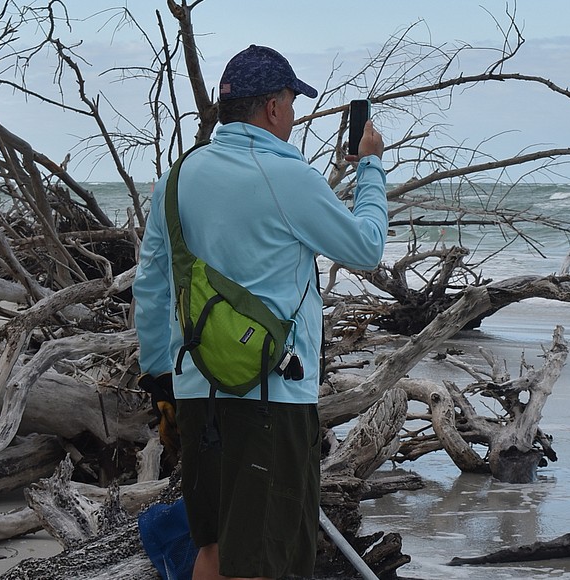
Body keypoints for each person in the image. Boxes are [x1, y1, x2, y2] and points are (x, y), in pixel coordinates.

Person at [133, 44, 388, 580]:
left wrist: (161, 375)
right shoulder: (286, 176)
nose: (293, 116)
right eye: (292, 103)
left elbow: (152, 283)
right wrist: (370, 167)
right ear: (272, 107)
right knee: (265, 560)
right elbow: (366, 246)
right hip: (271, 396)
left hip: (195, 390)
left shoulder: (177, 179)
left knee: (212, 548)